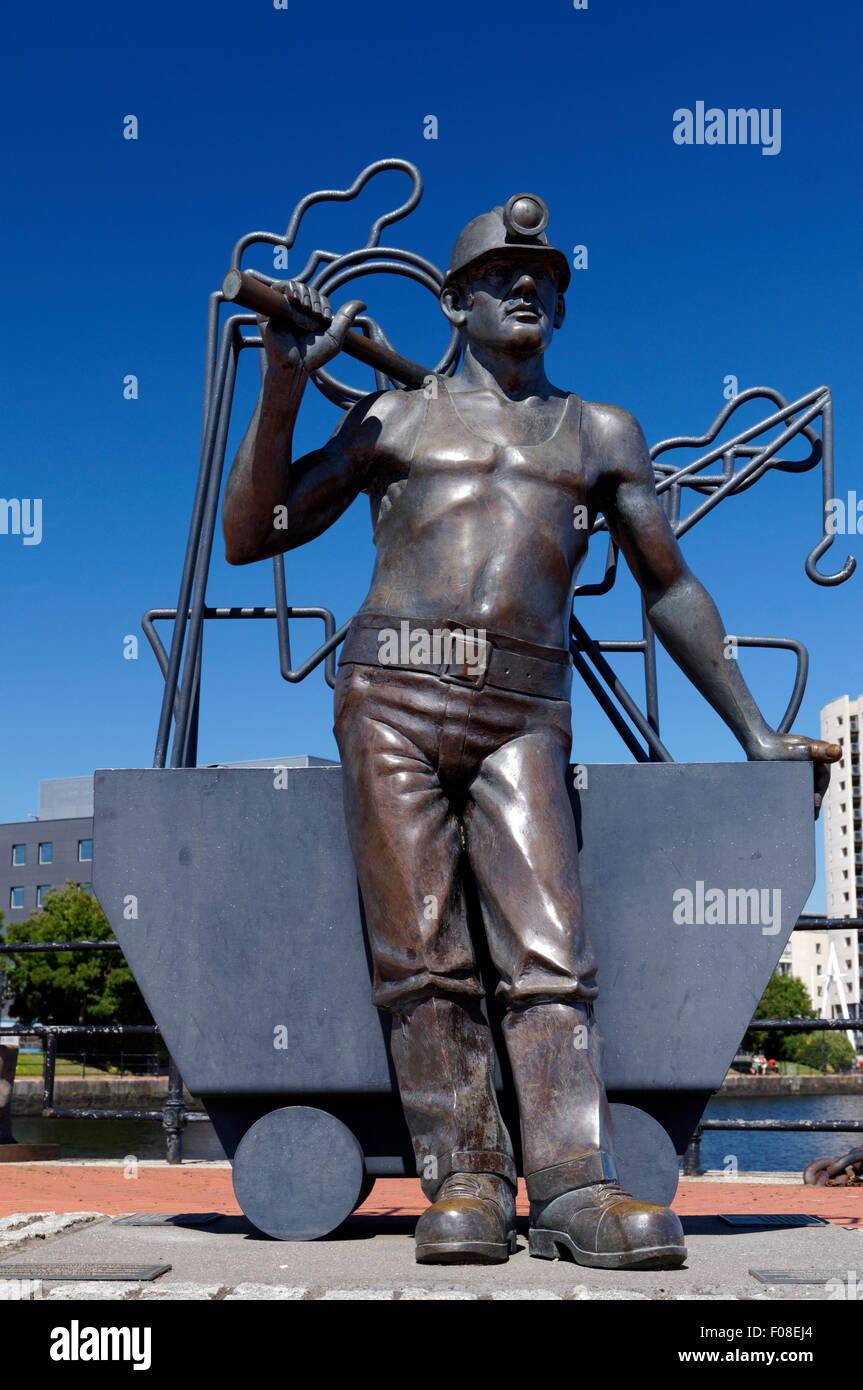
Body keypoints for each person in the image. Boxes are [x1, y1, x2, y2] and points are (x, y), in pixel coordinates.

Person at [222, 192, 838, 1269]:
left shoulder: (599, 431)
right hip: (392, 696)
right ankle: (460, 1175)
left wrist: (755, 731)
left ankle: (567, 1184)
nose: (526, 287)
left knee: (549, 947)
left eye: (543, 275)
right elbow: (252, 533)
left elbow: (669, 586)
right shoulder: (391, 418)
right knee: (420, 952)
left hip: (523, 708)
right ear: (454, 303)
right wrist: (280, 386)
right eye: (503, 274)